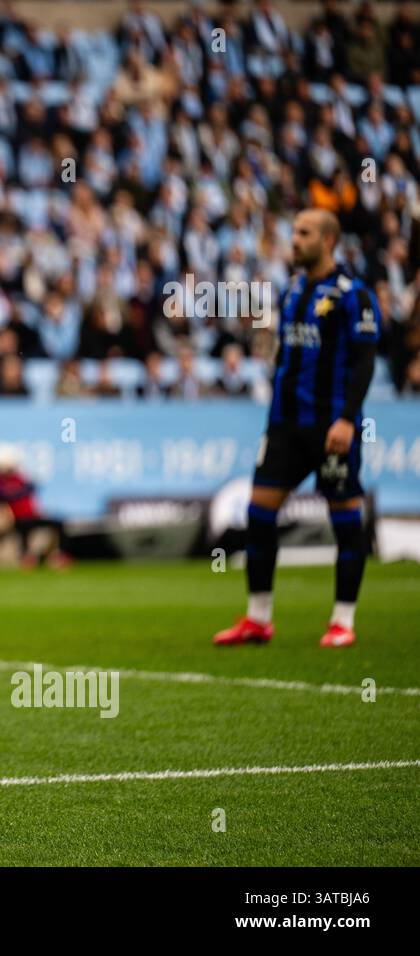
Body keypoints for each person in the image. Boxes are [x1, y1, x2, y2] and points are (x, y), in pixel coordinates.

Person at [214, 209, 378, 649]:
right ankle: (258, 619)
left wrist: (347, 418)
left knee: (345, 519)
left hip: (331, 427)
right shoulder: (291, 291)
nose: (294, 240)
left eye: (303, 233)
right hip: (286, 425)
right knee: (259, 514)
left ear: (327, 240)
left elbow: (364, 362)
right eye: (293, 232)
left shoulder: (352, 295)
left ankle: (343, 620)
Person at [0, 448, 70, 569]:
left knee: (59, 524)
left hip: (32, 515)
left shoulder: (19, 478)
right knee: (24, 526)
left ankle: (59, 555)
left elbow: (31, 488)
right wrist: (23, 490)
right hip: (14, 518)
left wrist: (23, 490)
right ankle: (26, 556)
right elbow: (7, 495)